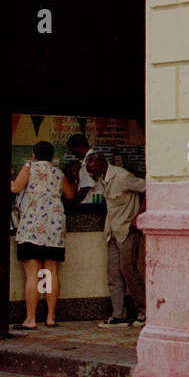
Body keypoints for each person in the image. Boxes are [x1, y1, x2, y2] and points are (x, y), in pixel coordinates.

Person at [10, 140, 74, 329]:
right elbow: (70, 194)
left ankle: (31, 319)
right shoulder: (58, 172)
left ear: (34, 154)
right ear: (52, 156)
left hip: (32, 225)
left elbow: (15, 188)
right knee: (50, 271)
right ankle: (50, 317)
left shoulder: (29, 166)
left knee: (33, 275)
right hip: (54, 227)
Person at [87, 151, 149, 327]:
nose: (91, 175)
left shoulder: (122, 177)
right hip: (112, 231)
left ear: (102, 165)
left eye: (93, 171)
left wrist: (139, 216)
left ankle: (145, 312)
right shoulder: (102, 179)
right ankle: (119, 315)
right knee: (113, 274)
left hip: (127, 230)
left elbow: (149, 188)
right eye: (89, 171)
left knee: (129, 272)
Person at [65, 134, 96, 202]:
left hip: (90, 203)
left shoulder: (89, 162)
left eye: (74, 151)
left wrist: (71, 203)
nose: (74, 154)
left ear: (81, 146)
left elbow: (83, 191)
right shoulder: (92, 158)